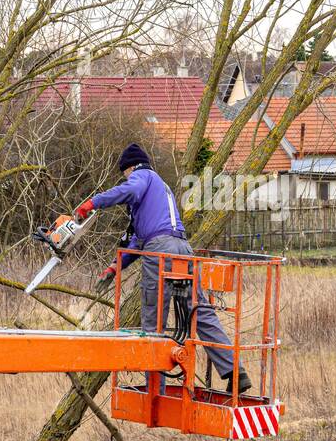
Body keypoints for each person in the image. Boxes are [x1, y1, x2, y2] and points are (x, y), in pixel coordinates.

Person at [75, 144, 251, 394]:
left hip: (160, 253)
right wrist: (114, 268)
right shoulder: (161, 189)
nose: (126, 178)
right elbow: (137, 240)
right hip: (183, 250)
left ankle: (155, 391)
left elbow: (130, 192)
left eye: (125, 173)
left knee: (153, 320)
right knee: (199, 312)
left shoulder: (141, 176)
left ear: (131, 167)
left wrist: (93, 203)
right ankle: (234, 371)